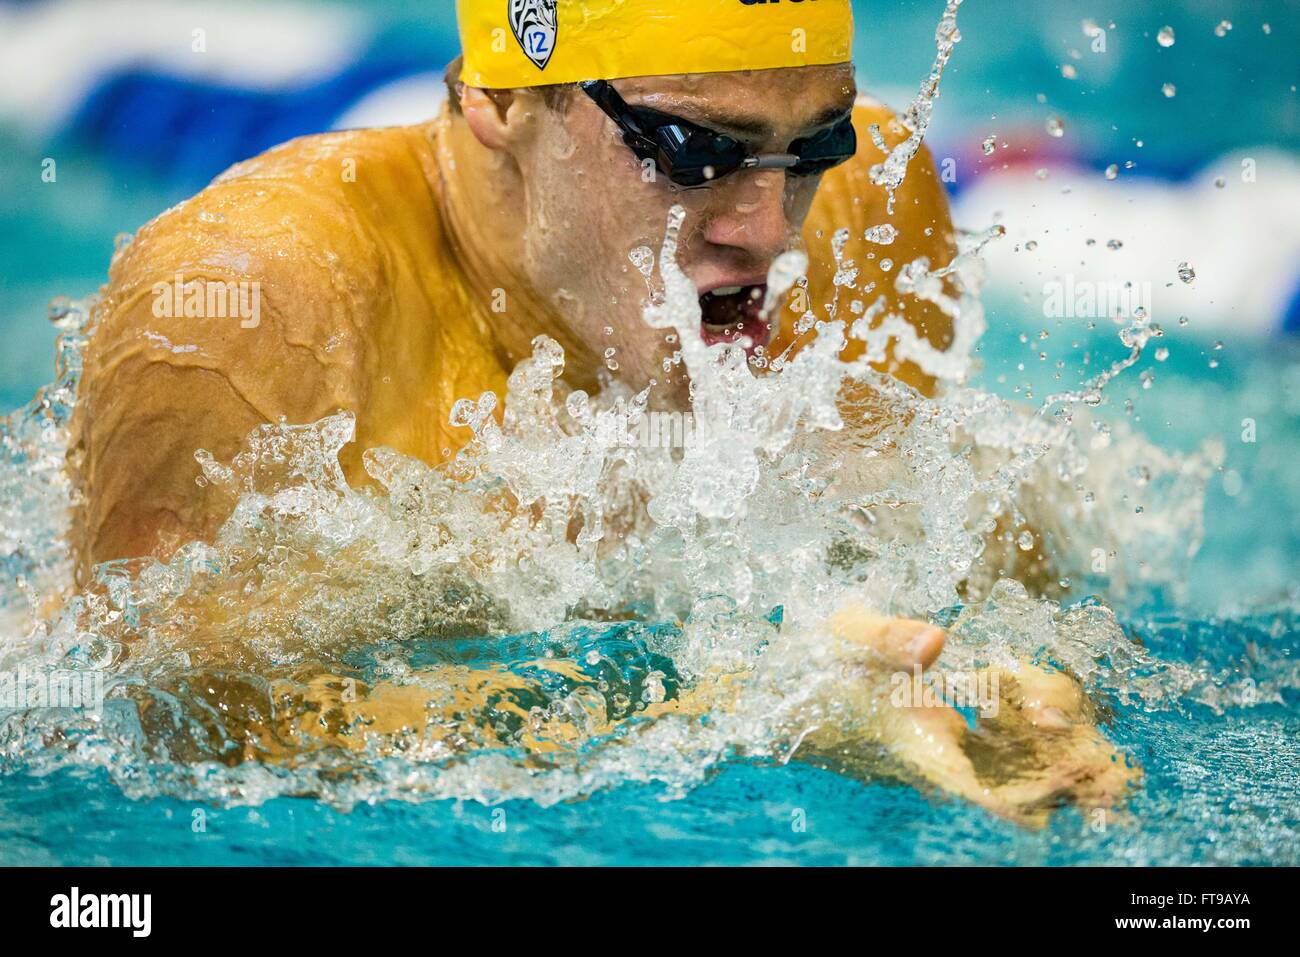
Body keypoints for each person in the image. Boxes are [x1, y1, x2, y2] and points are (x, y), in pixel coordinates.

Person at [65, 0, 1135, 822]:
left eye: (811, 146)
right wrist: (741, 708)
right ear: (499, 100)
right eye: (692, 151)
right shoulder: (249, 307)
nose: (766, 232)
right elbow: (180, 722)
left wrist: (1008, 688)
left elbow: (960, 565)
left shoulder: (873, 212)